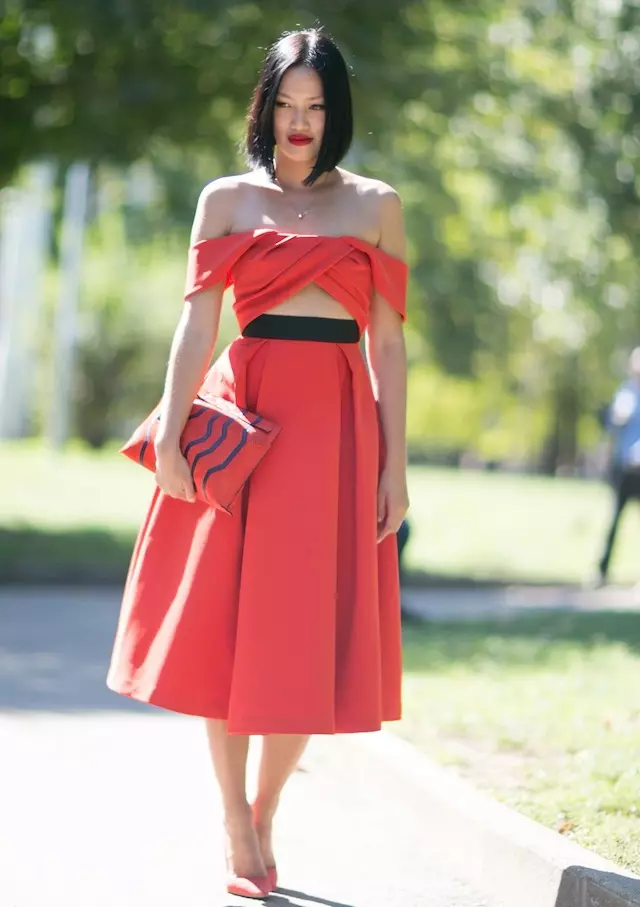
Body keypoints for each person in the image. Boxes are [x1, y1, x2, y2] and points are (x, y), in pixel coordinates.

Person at [106, 28, 409, 900]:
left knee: (307, 633)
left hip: (338, 428)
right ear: (265, 105)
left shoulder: (377, 205)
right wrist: (169, 433)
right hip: (245, 419)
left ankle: (267, 807)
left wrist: (396, 462)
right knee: (223, 623)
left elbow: (387, 344)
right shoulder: (226, 200)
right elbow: (197, 320)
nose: (300, 122)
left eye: (316, 107)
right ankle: (232, 816)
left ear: (337, 112)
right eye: (286, 103)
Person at [595, 347, 640, 586]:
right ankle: (602, 571)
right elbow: (614, 425)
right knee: (615, 520)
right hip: (626, 467)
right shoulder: (626, 393)